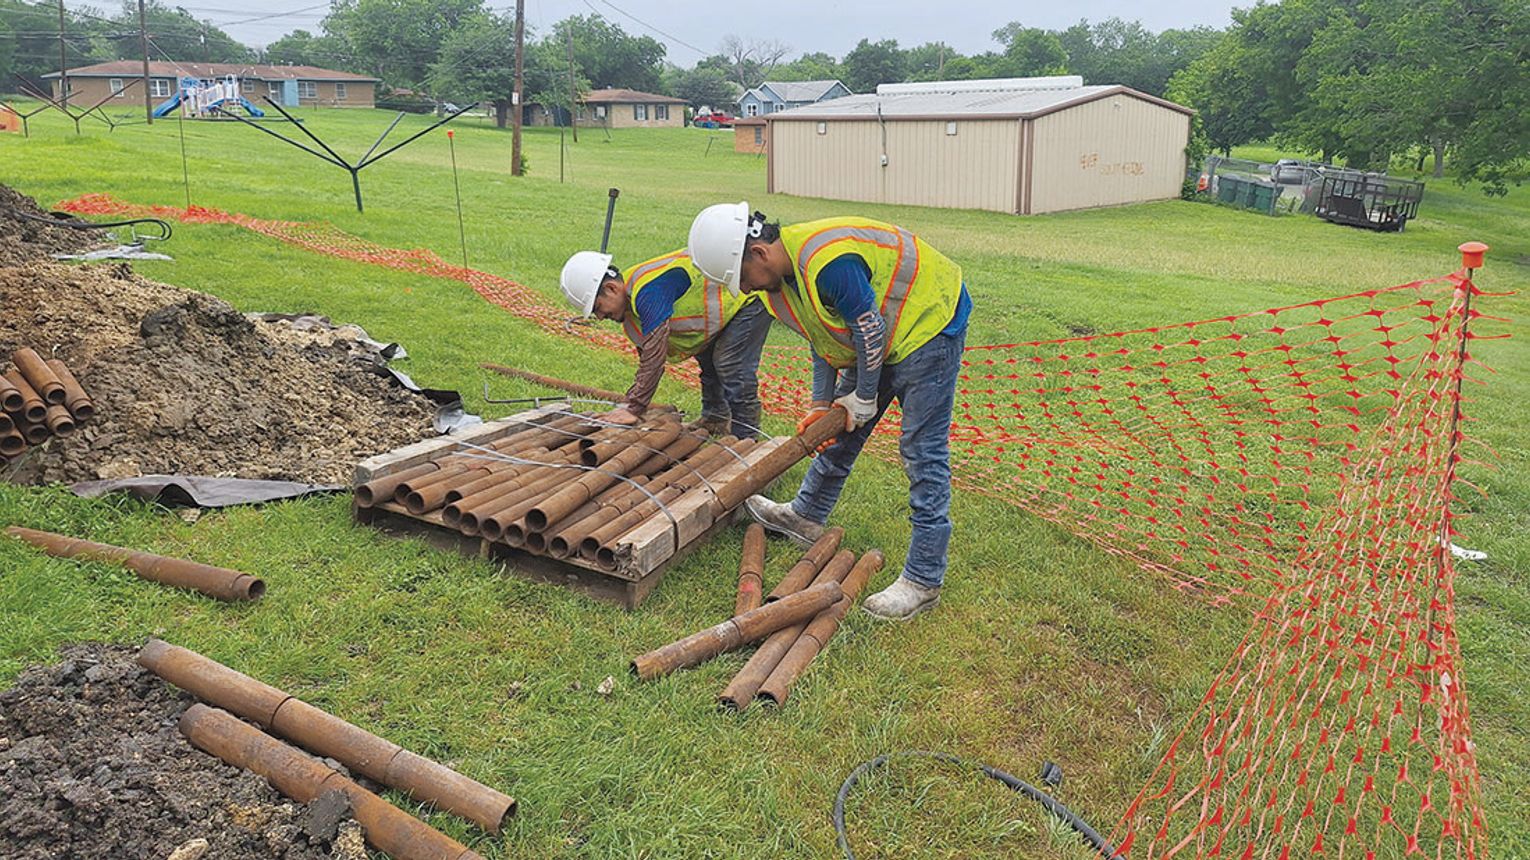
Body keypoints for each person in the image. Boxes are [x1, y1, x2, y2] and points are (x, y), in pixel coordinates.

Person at [687, 202, 971, 621]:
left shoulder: (829, 263)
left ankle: (924, 579)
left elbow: (870, 330)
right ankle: (806, 516)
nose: (743, 290)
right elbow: (823, 337)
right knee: (839, 431)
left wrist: (865, 396)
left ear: (759, 253)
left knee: (921, 451)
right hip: (880, 330)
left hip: (927, 323)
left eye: (742, 278)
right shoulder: (779, 284)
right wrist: (823, 405)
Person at [559, 248, 771, 438]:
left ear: (612, 288)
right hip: (721, 314)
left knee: (729, 363)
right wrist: (631, 404)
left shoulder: (648, 292)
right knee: (708, 360)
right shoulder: (630, 310)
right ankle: (715, 418)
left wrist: (633, 408)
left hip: (745, 299)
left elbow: (654, 356)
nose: (600, 317)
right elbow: (646, 361)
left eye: (598, 307)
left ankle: (746, 436)